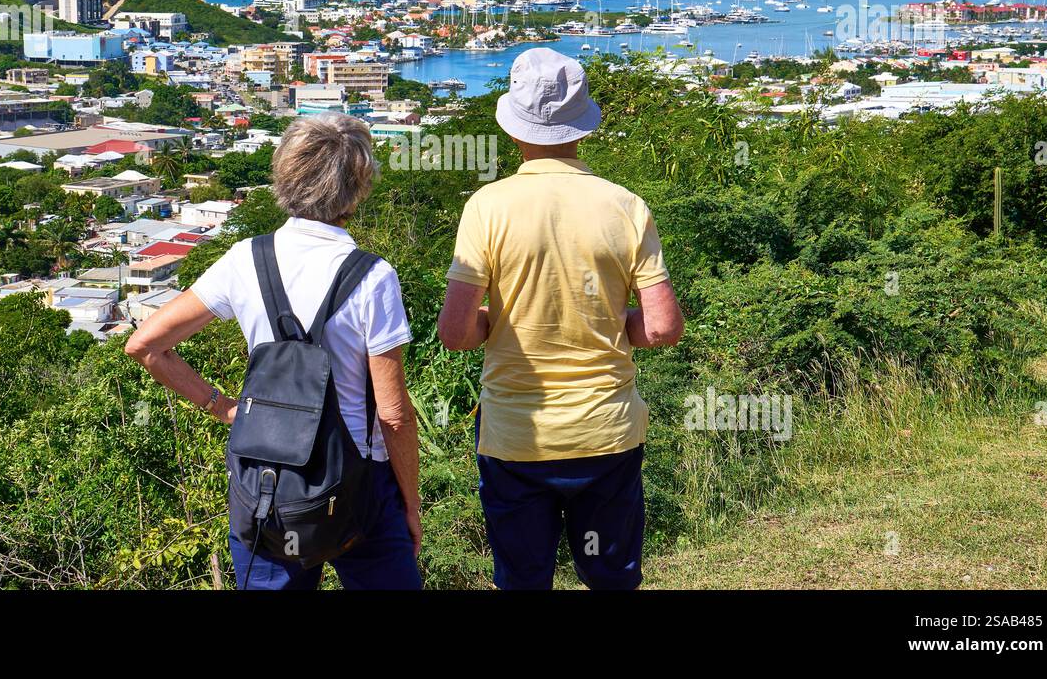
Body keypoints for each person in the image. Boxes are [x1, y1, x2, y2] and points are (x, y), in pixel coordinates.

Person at [125, 112, 422, 590]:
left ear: (286, 175)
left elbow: (146, 345)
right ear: (357, 186)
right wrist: (410, 504)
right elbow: (392, 414)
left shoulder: (245, 259)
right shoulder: (371, 275)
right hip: (360, 488)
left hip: (266, 484)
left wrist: (222, 407)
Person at [436, 47, 684, 590]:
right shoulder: (625, 205)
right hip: (606, 428)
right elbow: (663, 327)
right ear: (582, 124)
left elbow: (455, 335)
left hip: (515, 434)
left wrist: (497, 320)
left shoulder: (487, 206)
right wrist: (613, 323)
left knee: (523, 579)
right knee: (611, 577)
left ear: (513, 127)